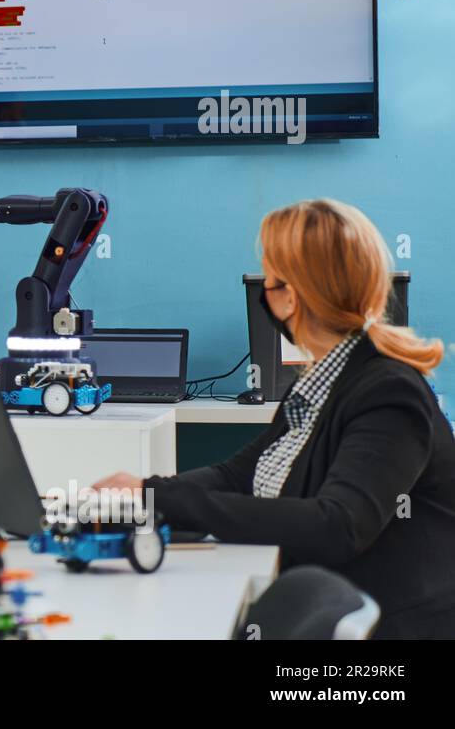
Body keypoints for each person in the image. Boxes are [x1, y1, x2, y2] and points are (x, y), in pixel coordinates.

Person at [95, 199, 455, 639]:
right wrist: (144, 496)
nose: (264, 290)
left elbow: (337, 525)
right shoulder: (319, 385)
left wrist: (163, 500)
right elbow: (235, 476)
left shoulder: (388, 392)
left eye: (269, 278)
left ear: (291, 297)